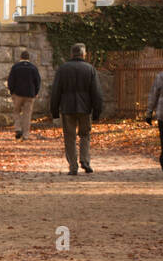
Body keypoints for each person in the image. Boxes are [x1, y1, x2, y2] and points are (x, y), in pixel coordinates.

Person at [49, 42, 104, 176]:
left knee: (70, 137)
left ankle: (73, 166)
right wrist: (97, 111)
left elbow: (56, 91)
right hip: (85, 108)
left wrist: (54, 110)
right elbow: (96, 92)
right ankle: (85, 160)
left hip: (67, 108)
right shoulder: (90, 69)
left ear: (71, 54)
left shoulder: (63, 69)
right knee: (85, 135)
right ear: (83, 54)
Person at [6, 50, 41, 140]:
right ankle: (25, 135)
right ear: (28, 58)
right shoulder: (33, 68)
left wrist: (12, 92)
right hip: (30, 94)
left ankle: (18, 128)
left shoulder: (15, 67)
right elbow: (37, 81)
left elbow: (10, 81)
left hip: (17, 94)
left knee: (16, 111)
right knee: (27, 114)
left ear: (20, 57)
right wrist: (36, 92)